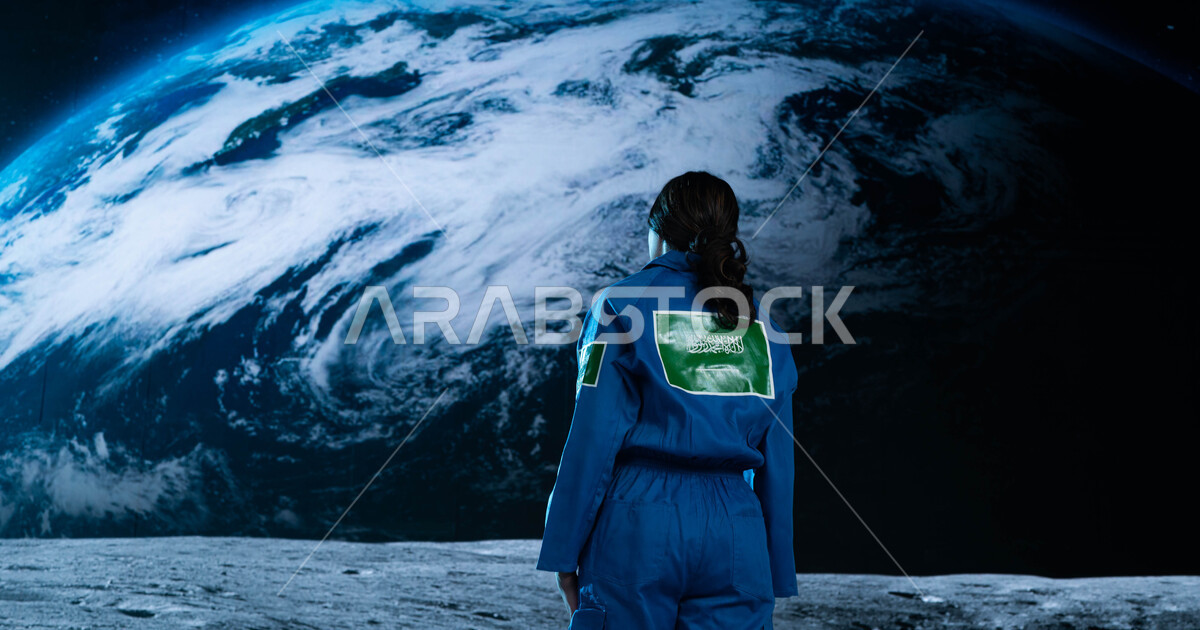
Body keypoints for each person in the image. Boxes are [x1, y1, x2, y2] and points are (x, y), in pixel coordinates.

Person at [535, 171, 799, 629]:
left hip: (638, 524)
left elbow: (593, 439)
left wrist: (563, 552)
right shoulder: (766, 329)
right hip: (739, 531)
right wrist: (775, 566)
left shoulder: (620, 305)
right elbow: (778, 460)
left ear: (657, 232)